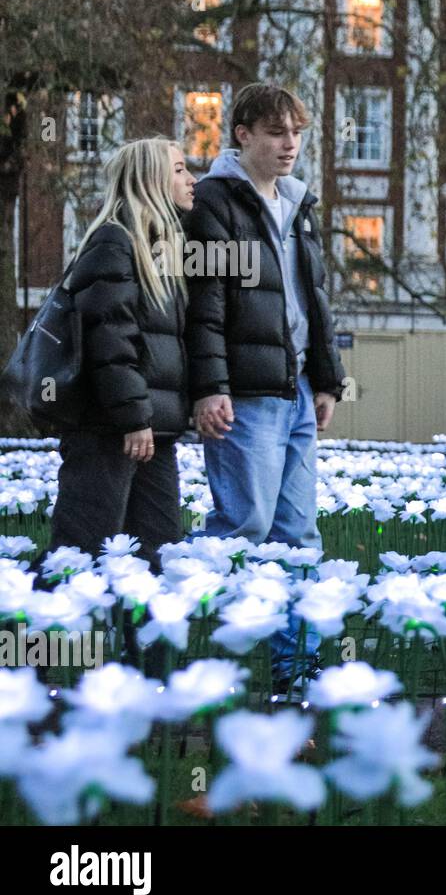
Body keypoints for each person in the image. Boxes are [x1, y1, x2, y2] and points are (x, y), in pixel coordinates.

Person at [183, 83, 347, 692]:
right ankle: (211, 663)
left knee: (298, 535)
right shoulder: (216, 203)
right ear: (243, 134)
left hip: (298, 389)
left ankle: (296, 675)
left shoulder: (297, 204)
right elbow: (206, 305)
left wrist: (326, 378)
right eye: (277, 132)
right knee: (241, 525)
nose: (290, 145)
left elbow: (315, 299)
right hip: (244, 396)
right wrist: (210, 387)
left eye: (297, 133)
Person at [48, 137, 195, 576]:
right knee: (80, 555)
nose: (192, 180)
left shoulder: (159, 248)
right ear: (152, 179)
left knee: (155, 557)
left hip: (154, 432)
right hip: (110, 432)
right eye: (181, 170)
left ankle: (144, 646)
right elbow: (110, 337)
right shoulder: (115, 242)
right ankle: (52, 640)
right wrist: (133, 416)